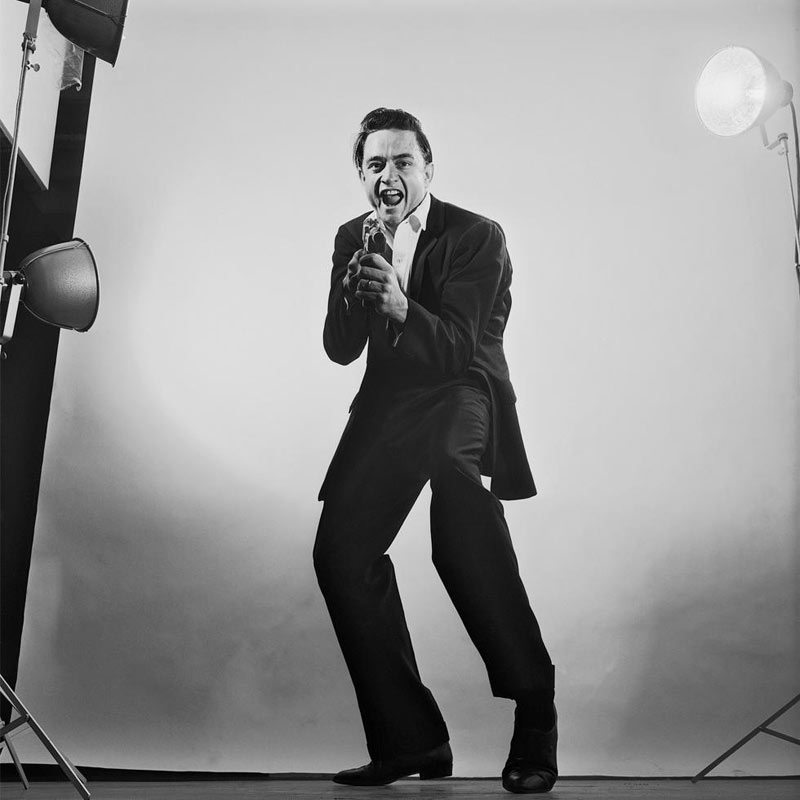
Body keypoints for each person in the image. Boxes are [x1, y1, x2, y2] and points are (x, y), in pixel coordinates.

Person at [314, 107, 557, 794]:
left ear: (427, 168)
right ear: (363, 175)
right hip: (390, 407)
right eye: (374, 165)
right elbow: (340, 349)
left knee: (457, 507)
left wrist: (397, 303)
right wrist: (353, 286)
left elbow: (456, 345)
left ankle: (536, 714)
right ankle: (410, 740)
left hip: (461, 391)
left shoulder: (478, 236)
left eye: (402, 162)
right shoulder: (351, 236)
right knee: (340, 554)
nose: (388, 175)